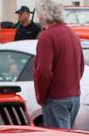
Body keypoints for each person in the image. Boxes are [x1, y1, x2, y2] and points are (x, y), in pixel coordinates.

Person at [33, 0, 83, 129]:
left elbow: (43, 71)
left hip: (56, 97)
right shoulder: (73, 34)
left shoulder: (47, 36)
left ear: (43, 15)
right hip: (74, 96)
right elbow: (81, 66)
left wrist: (41, 97)